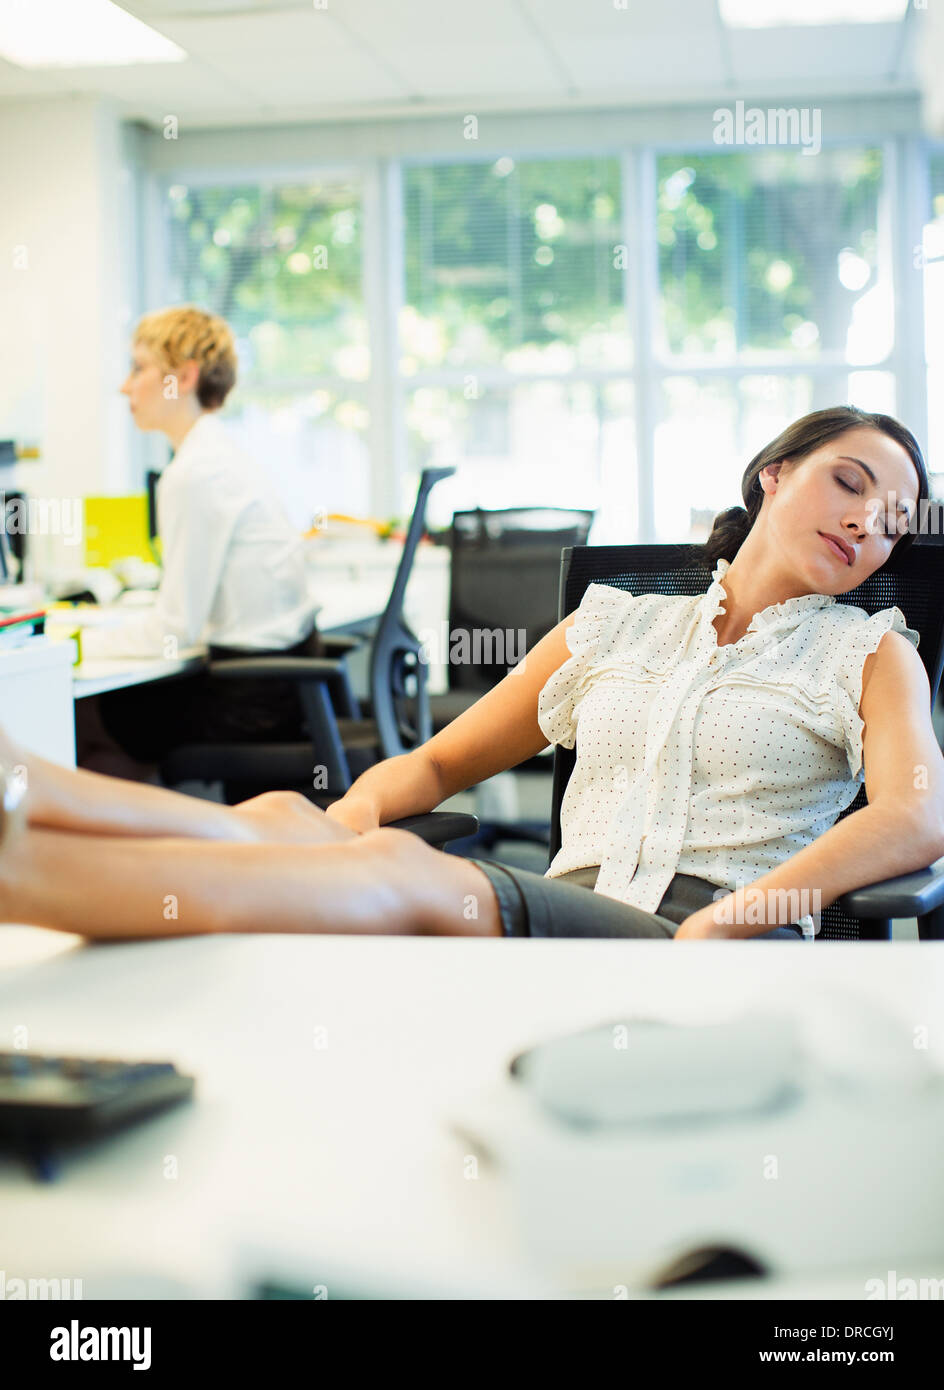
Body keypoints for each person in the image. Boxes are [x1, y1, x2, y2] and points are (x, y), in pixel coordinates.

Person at [5, 406, 943, 942]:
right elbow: (435, 768)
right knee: (295, 816)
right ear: (774, 475)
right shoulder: (617, 622)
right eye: (849, 482)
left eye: (895, 518)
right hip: (574, 910)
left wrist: (741, 917)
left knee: (403, 876)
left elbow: (917, 817)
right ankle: (27, 789)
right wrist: (340, 824)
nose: (867, 521)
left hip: (701, 940)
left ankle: (24, 875)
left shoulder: (869, 652)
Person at [76, 305, 320, 774]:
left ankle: (155, 842)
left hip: (249, 701)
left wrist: (76, 642)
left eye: (139, 368)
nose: (125, 386)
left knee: (78, 716)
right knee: (110, 721)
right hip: (283, 686)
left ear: (183, 377)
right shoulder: (221, 455)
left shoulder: (193, 474)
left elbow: (175, 630)